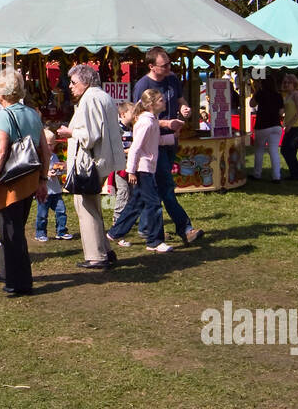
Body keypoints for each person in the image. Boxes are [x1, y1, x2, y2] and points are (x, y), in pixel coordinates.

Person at [0, 68, 51, 296]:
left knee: (11, 233)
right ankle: (7, 271)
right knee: (16, 228)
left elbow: (1, 151)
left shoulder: (4, 115)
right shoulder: (33, 113)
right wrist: (43, 179)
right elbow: (45, 150)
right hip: (30, 177)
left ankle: (20, 281)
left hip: (10, 180)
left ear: (0, 92)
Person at [132, 48, 203, 245]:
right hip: (154, 144)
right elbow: (137, 117)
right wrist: (165, 124)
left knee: (155, 188)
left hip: (171, 141)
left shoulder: (172, 79)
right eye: (164, 66)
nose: (169, 68)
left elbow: (179, 99)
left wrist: (184, 108)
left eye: (169, 64)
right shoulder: (143, 86)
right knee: (165, 188)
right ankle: (185, 228)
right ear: (151, 66)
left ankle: (147, 227)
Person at [59, 63, 125, 270]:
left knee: (85, 206)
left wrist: (70, 133)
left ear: (85, 82)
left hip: (92, 163)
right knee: (92, 205)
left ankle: (97, 255)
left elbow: (91, 136)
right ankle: (104, 249)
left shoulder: (91, 98)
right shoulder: (100, 96)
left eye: (73, 82)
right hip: (100, 161)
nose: (70, 86)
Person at [107, 88, 174, 252]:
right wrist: (131, 170)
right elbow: (136, 147)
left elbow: (154, 141)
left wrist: (174, 137)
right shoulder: (146, 122)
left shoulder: (151, 120)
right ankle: (154, 241)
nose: (163, 102)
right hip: (143, 169)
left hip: (145, 168)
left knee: (137, 203)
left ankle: (114, 233)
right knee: (153, 204)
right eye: (160, 100)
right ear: (151, 104)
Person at [35, 126, 72, 242]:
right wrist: (47, 173)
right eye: (48, 144)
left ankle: (61, 231)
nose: (51, 147)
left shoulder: (54, 156)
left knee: (61, 210)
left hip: (56, 190)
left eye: (53, 144)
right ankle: (40, 232)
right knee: (42, 214)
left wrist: (60, 170)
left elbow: (56, 168)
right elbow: (37, 172)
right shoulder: (39, 158)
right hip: (44, 191)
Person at [250, 75, 284, 182]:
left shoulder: (261, 94)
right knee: (274, 151)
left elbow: (251, 104)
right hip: (276, 125)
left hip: (262, 125)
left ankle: (257, 174)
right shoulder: (278, 95)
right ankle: (276, 176)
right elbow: (281, 111)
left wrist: (256, 91)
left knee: (259, 150)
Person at [279, 73, 298, 179]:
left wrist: (289, 125)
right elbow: (283, 111)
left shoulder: (296, 94)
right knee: (288, 150)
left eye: (288, 82)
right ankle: (296, 172)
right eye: (284, 82)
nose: (286, 84)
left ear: (293, 83)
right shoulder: (287, 95)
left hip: (296, 126)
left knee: (286, 150)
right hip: (289, 126)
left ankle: (296, 173)